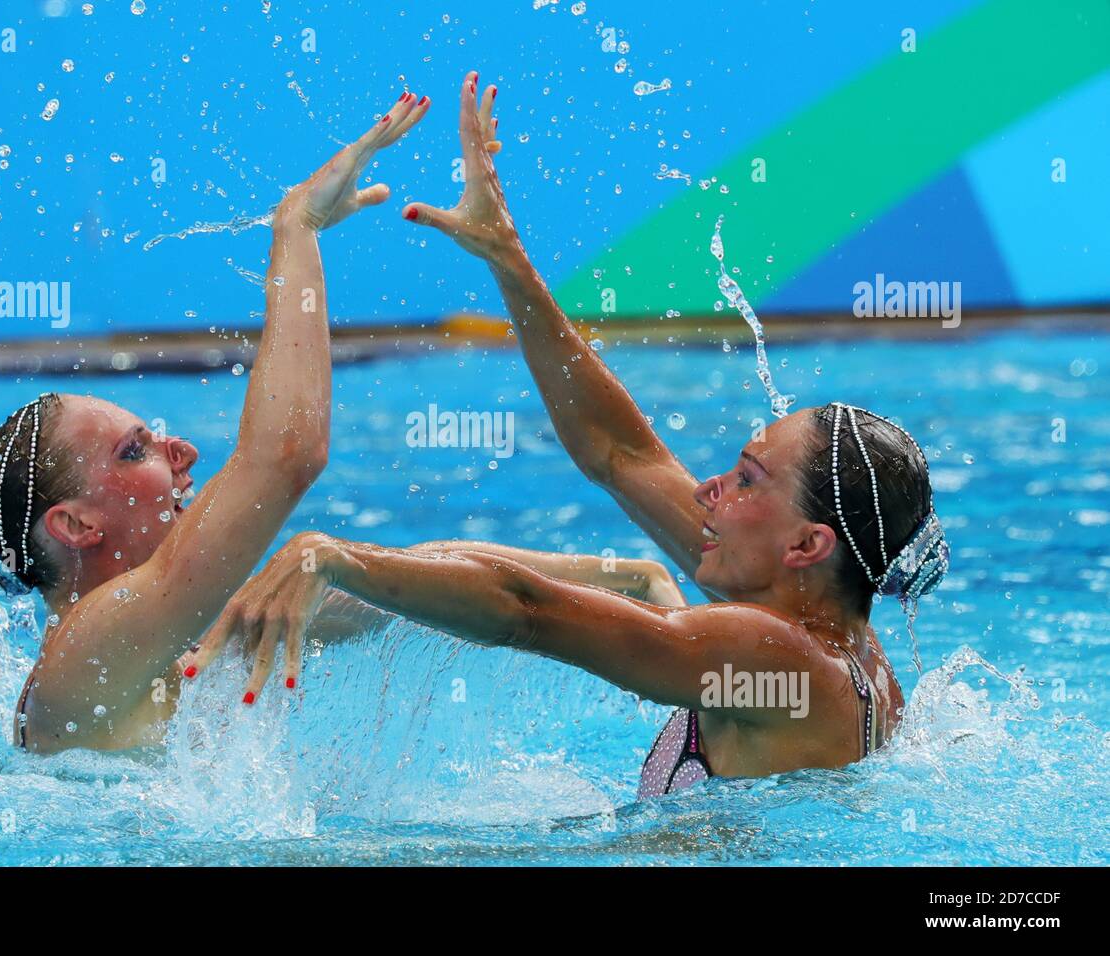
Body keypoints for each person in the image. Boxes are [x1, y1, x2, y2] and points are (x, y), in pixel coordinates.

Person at [222, 72, 950, 795]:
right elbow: (619, 452)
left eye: (746, 479)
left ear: (805, 545)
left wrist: (333, 557)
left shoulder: (778, 662)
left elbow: (529, 612)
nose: (707, 488)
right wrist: (507, 257)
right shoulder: (842, 640)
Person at [0, 90, 682, 754]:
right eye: (135, 450)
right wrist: (297, 227)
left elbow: (409, 579)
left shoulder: (190, 630)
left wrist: (625, 580)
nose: (180, 449)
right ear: (76, 526)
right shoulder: (87, 650)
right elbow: (286, 455)